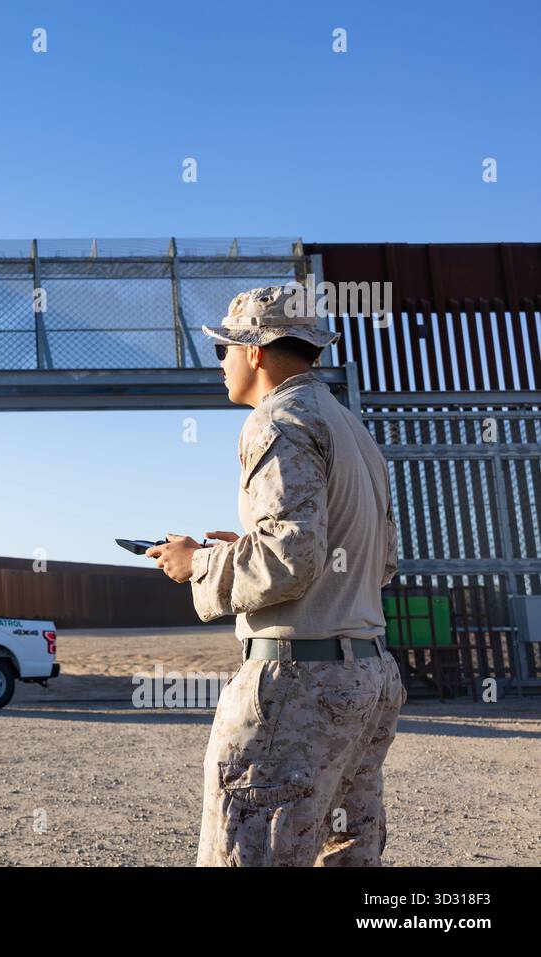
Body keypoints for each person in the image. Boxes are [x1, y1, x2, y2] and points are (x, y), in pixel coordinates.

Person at [146, 285, 405, 867]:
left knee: (249, 852)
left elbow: (289, 559)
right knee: (344, 854)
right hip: (367, 675)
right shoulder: (351, 429)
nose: (220, 365)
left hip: (296, 684)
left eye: (223, 351)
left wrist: (197, 564)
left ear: (256, 350)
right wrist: (245, 548)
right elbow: (376, 559)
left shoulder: (278, 420)